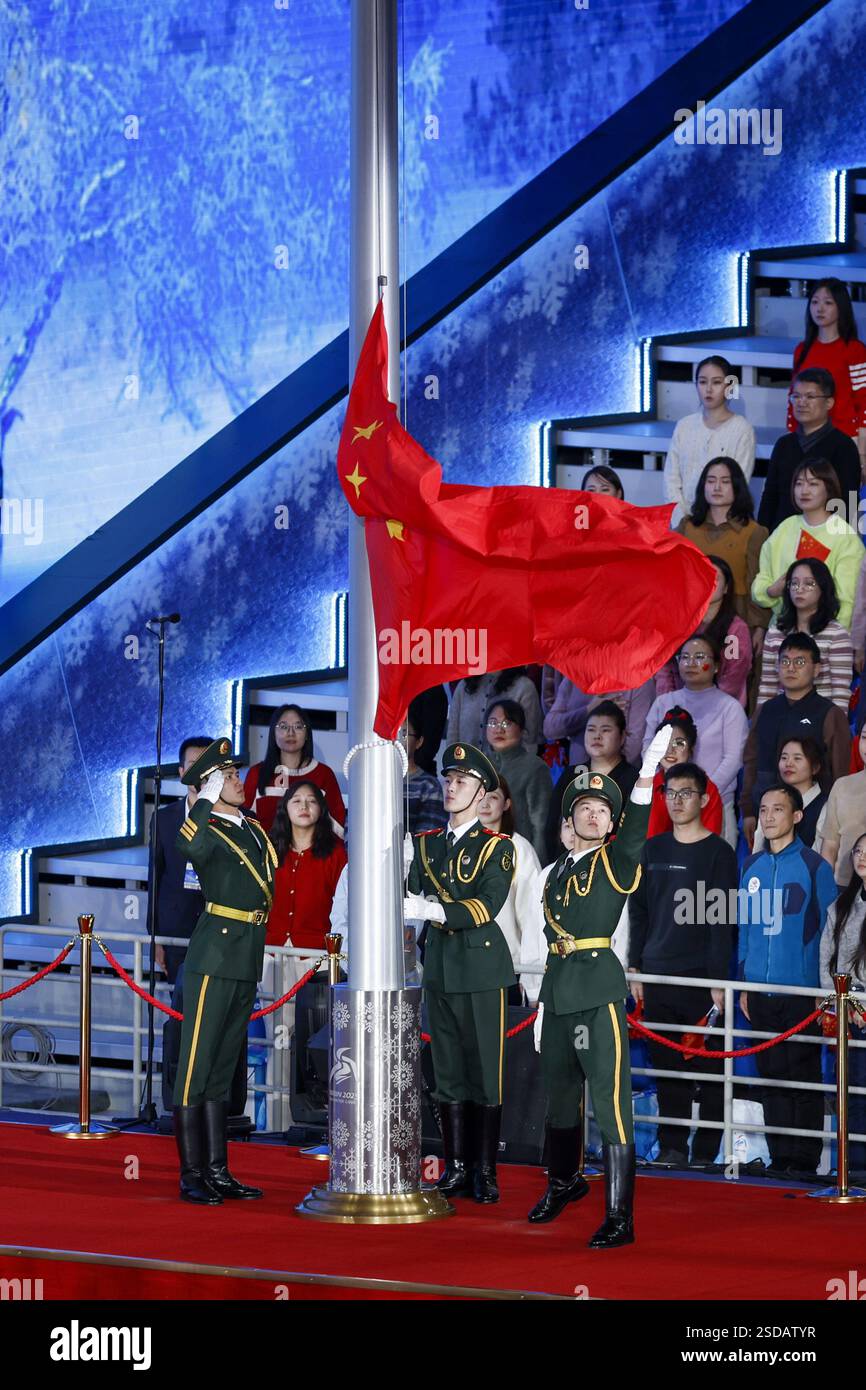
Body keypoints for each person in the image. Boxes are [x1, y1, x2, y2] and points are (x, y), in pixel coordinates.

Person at [524, 724, 673, 1248]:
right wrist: (543, 1007)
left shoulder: (615, 860)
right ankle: (564, 1182)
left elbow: (636, 826)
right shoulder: (556, 874)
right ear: (568, 822)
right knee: (560, 1101)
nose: (594, 813)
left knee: (610, 1103)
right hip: (560, 991)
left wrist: (647, 773)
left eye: (602, 810)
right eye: (585, 807)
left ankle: (619, 1216)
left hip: (597, 992)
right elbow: (547, 941)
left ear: (611, 824)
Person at [405, 742, 515, 1203]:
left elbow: (484, 907)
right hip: (441, 970)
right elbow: (410, 891)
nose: (452, 788)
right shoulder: (427, 843)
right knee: (447, 1071)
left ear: (482, 794)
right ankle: (455, 1167)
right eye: (449, 780)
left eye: (463, 782)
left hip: (481, 969)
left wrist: (431, 907)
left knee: (485, 1073)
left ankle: (485, 1171)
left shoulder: (497, 848)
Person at [172, 739, 277, 1204]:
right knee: (196, 1065)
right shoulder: (207, 827)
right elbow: (185, 844)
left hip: (245, 955)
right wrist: (206, 797)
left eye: (234, 775)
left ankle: (218, 1170)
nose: (238, 781)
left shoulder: (252, 827)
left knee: (221, 1068)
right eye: (228, 776)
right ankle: (191, 1172)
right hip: (214, 955)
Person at [629, 761, 738, 1168]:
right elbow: (638, 912)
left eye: (686, 793)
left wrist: (716, 980)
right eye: (670, 793)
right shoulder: (651, 849)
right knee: (667, 1068)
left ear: (704, 798)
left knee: (707, 1070)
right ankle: (672, 1146)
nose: (677, 800)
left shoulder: (719, 853)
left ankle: (706, 1153)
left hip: (699, 978)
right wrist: (636, 966)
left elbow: (722, 921)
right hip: (655, 973)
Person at [739, 784, 837, 1180]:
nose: (768, 817)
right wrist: (743, 982)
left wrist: (822, 991)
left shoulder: (816, 867)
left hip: (802, 994)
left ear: (797, 816)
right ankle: (780, 1159)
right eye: (763, 809)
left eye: (778, 809)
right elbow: (744, 927)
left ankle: (806, 1160)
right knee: (771, 1077)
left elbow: (830, 931)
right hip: (758, 993)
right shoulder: (751, 866)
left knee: (804, 1079)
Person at [741, 633, 851, 850]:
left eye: (800, 662)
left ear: (817, 669)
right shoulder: (766, 710)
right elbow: (751, 761)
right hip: (765, 812)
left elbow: (840, 774)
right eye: (785, 661)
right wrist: (748, 811)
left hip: (814, 814)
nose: (791, 668)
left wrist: (834, 817)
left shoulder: (829, 713)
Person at [643, 633, 748, 847]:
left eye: (700, 657)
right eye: (685, 657)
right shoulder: (663, 703)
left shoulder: (730, 708)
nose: (691, 663)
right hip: (664, 805)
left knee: (709, 875)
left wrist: (701, 794)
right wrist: (670, 791)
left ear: (717, 666)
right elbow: (648, 749)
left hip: (713, 802)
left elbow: (733, 759)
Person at [752, 459, 864, 632]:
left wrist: (832, 636)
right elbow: (761, 584)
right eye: (799, 483)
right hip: (782, 631)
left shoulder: (845, 537)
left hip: (826, 636)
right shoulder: (785, 528)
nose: (804, 490)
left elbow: (847, 601)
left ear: (828, 489)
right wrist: (771, 591)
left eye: (813, 484)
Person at [677, 456, 769, 656]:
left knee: (734, 678)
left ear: (737, 487)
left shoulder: (754, 532)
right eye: (711, 481)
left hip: (737, 616)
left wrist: (759, 627)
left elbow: (757, 584)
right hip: (691, 617)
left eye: (725, 481)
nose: (717, 487)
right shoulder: (687, 527)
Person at [761, 366, 864, 532]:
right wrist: (763, 534)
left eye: (810, 396)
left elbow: (849, 501)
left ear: (829, 402)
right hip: (782, 537)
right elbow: (770, 496)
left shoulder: (844, 446)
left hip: (826, 540)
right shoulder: (783, 444)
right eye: (796, 396)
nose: (802, 402)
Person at [819, 833, 866, 1175]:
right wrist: (841, 1004)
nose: (862, 857)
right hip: (847, 1011)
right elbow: (826, 962)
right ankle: (854, 1168)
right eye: (859, 851)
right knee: (851, 1093)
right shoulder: (840, 905)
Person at [664, 356, 755, 524]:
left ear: (729, 386)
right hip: (683, 524)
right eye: (703, 382)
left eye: (717, 382)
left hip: (723, 524)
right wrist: (682, 521)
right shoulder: (684, 426)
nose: (709, 389)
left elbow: (739, 481)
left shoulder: (742, 429)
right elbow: (671, 479)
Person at [543, 700, 639, 861]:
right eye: (591, 729)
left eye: (606, 730)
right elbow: (552, 826)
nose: (597, 736)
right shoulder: (572, 774)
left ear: (622, 736)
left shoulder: (634, 779)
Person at [150, 737, 211, 987]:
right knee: (179, 1009)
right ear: (182, 772)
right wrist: (155, 939)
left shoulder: (232, 818)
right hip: (175, 932)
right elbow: (155, 879)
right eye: (194, 764)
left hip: (217, 931)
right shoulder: (164, 819)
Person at [756, 558, 853, 711]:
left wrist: (834, 728)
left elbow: (840, 693)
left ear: (823, 588)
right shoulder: (775, 632)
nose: (799, 589)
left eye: (809, 584)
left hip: (820, 720)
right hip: (781, 718)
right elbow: (768, 686)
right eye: (794, 583)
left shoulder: (837, 634)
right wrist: (761, 724)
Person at [654, 555, 753, 705]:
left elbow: (734, 677)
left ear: (726, 587)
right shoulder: (678, 624)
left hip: (721, 710)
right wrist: (670, 702)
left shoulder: (736, 629)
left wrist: (702, 706)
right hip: (678, 709)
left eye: (715, 578)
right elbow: (664, 669)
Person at [477, 776, 542, 996]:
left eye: (493, 797)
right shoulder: (455, 843)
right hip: (463, 965)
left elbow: (531, 918)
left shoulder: (519, 848)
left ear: (506, 804)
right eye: (480, 796)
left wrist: (530, 976)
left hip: (507, 965)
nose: (485, 803)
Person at [785, 279, 866, 455]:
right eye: (815, 302)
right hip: (805, 436)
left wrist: (862, 450)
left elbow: (863, 398)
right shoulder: (802, 350)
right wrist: (791, 432)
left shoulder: (854, 349)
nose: (820, 308)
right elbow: (794, 394)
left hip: (844, 436)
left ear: (841, 307)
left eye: (828, 302)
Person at [242, 704, 346, 836]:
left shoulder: (323, 774)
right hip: (266, 855)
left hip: (311, 855)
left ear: (307, 733)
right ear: (273, 733)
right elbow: (243, 822)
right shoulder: (257, 773)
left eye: (298, 727)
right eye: (284, 727)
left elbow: (337, 826)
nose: (291, 733)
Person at [484, 699, 551, 862]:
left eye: (507, 723)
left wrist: (537, 866)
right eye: (492, 723)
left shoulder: (534, 767)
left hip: (518, 856)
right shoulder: (480, 764)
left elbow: (540, 825)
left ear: (521, 730)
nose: (499, 729)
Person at [543, 676, 655, 767]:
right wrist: (588, 710)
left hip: (619, 779)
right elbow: (550, 728)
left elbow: (634, 745)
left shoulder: (639, 683)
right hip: (578, 774)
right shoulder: (573, 678)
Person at [645, 708, 723, 838]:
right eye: (664, 742)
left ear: (691, 748)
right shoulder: (645, 786)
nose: (670, 749)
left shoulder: (707, 789)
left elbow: (710, 840)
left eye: (679, 743)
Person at [752, 737, 827, 853]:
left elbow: (820, 855)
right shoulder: (770, 798)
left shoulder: (824, 805)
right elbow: (758, 847)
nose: (788, 763)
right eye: (784, 757)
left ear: (815, 767)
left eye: (797, 758)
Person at [447, 669, 542, 752]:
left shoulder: (524, 687)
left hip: (508, 770)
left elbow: (529, 741)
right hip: (466, 768)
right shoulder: (464, 686)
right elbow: (453, 734)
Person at [819, 727, 866, 887]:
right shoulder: (842, 786)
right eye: (865, 738)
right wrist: (825, 889)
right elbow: (830, 846)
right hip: (843, 887)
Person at [401, 704, 447, 835]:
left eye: (404, 733)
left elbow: (427, 839)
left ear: (419, 742)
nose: (397, 740)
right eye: (395, 733)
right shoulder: (373, 780)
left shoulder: (428, 786)